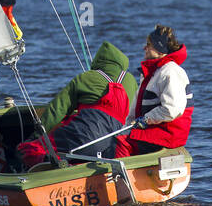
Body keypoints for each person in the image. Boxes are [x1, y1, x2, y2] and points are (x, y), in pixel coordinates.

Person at [17, 41, 136, 169]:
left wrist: (38, 135)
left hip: (85, 133)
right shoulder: (131, 80)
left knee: (29, 149)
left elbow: (57, 110)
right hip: (117, 140)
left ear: (99, 61)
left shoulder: (86, 77)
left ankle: (49, 163)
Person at [116, 25, 192, 158]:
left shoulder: (170, 72)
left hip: (168, 134)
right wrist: (125, 128)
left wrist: (145, 120)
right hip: (153, 130)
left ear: (160, 49)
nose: (144, 48)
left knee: (121, 143)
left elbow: (172, 109)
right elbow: (135, 111)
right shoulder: (152, 72)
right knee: (116, 138)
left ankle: (121, 175)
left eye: (148, 45)